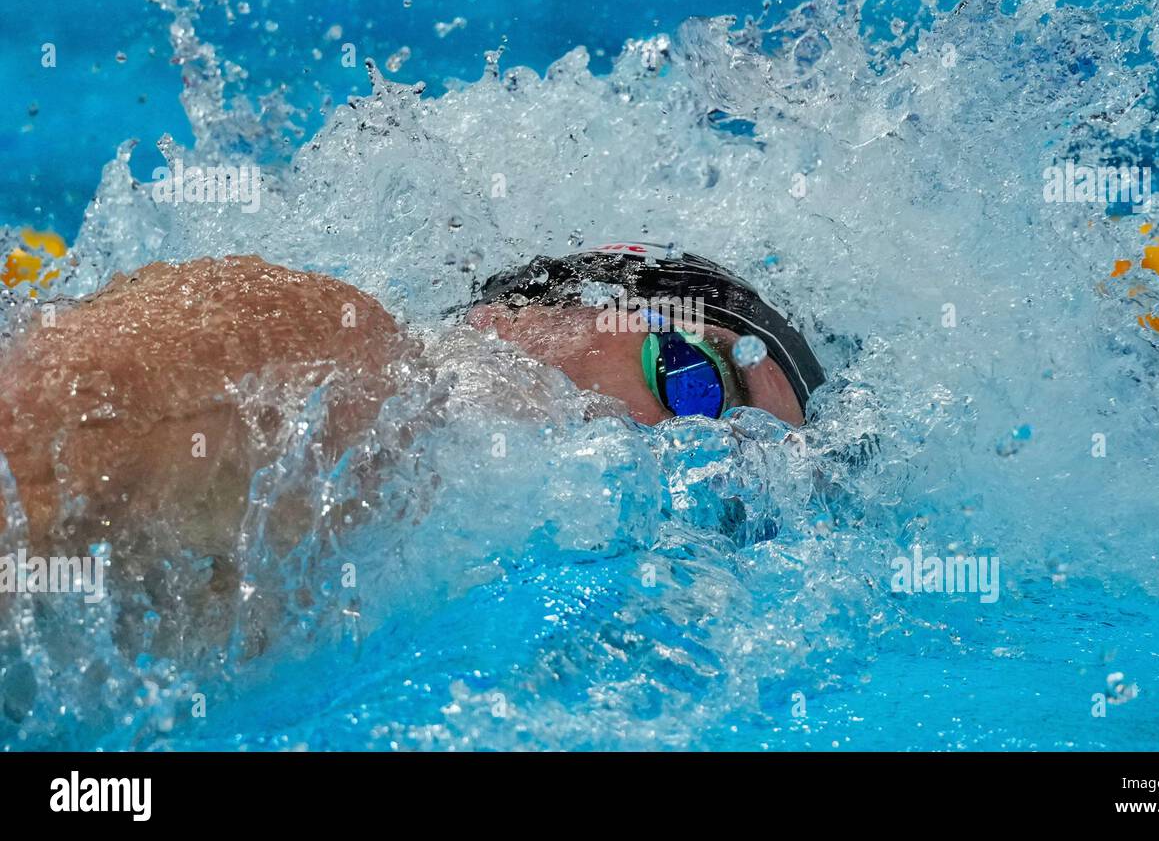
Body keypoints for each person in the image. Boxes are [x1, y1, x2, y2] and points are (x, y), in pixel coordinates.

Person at [0, 242, 823, 556]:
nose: (687, 455)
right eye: (697, 381)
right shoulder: (354, 357)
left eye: (734, 497)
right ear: (523, 313)